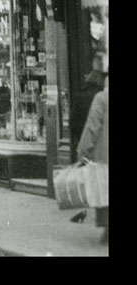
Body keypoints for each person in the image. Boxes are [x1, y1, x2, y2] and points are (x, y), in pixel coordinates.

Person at [68, 69, 106, 223]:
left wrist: (80, 143)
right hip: (100, 146)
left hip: (91, 145)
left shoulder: (83, 96)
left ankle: (84, 212)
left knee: (88, 182)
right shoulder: (100, 97)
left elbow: (75, 122)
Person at [77, 75, 109, 243]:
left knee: (104, 192)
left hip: (105, 157)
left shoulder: (102, 98)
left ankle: (107, 229)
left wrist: (83, 151)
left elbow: (92, 127)